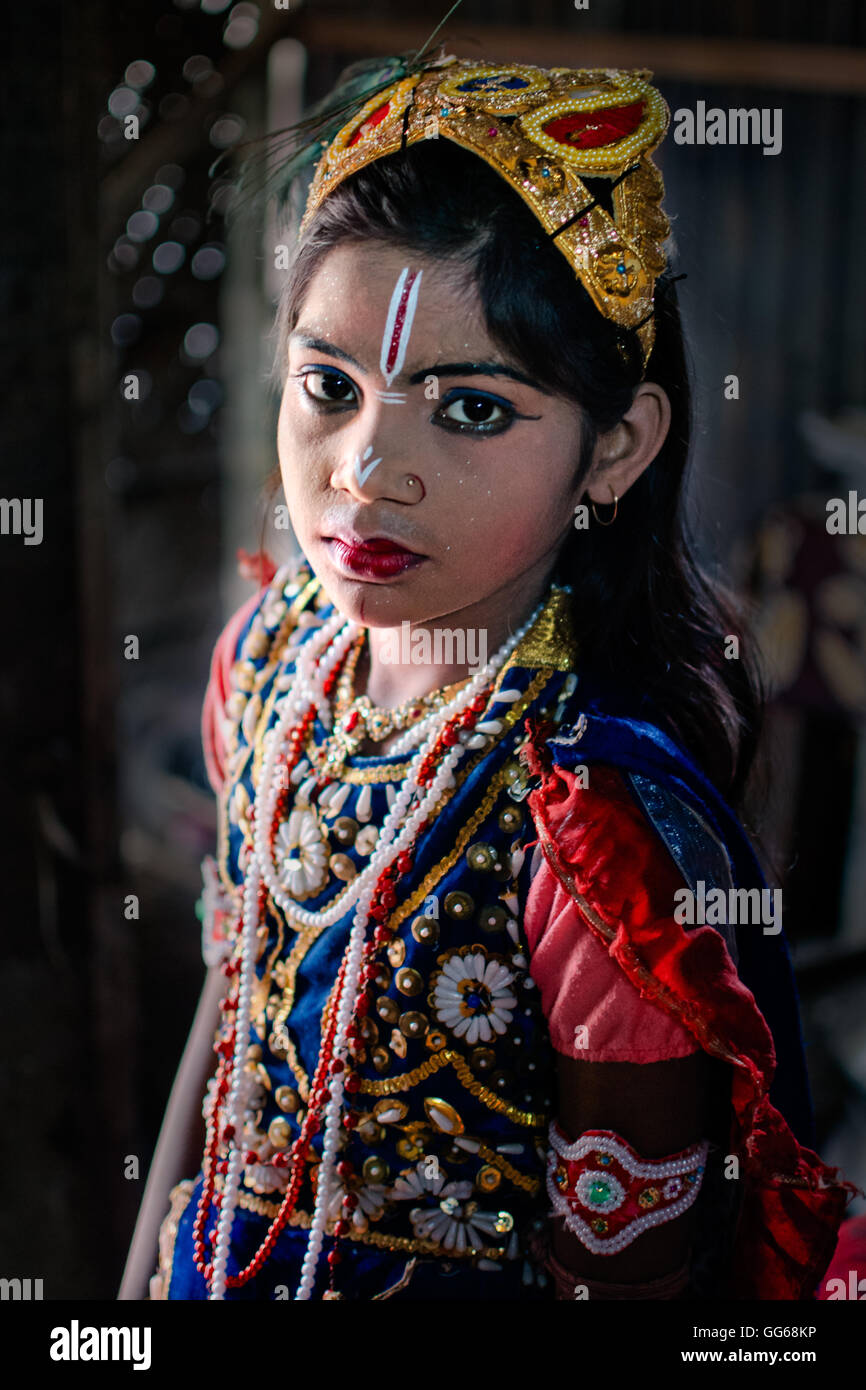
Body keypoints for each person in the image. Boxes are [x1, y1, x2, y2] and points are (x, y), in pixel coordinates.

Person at [120, 55, 856, 1302]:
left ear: (613, 449)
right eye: (328, 388)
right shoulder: (270, 663)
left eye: (467, 410)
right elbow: (226, 1010)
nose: (364, 469)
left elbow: (627, 1271)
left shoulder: (593, 828)